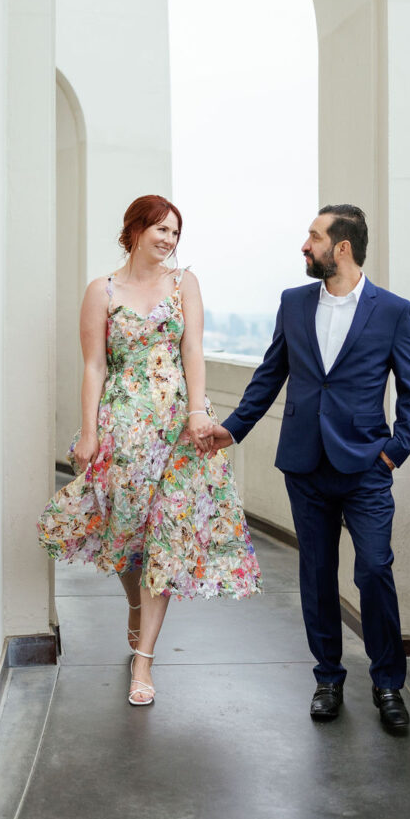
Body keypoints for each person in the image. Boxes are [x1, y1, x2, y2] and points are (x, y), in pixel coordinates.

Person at [38, 194, 261, 707]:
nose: (169, 239)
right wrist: (89, 432)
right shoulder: (102, 290)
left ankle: (144, 661)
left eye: (175, 232)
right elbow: (94, 365)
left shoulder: (184, 284)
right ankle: (136, 606)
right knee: (126, 533)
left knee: (165, 533)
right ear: (136, 230)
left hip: (176, 429)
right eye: (161, 229)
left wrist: (198, 411)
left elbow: (193, 350)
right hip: (122, 428)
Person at [210, 204, 410, 732]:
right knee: (316, 573)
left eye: (314, 237)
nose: (305, 246)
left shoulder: (393, 311)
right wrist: (232, 429)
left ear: (342, 248)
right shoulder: (294, 302)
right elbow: (270, 373)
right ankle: (328, 677)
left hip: (365, 466)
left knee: (373, 569)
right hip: (305, 464)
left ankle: (388, 683)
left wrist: (393, 452)